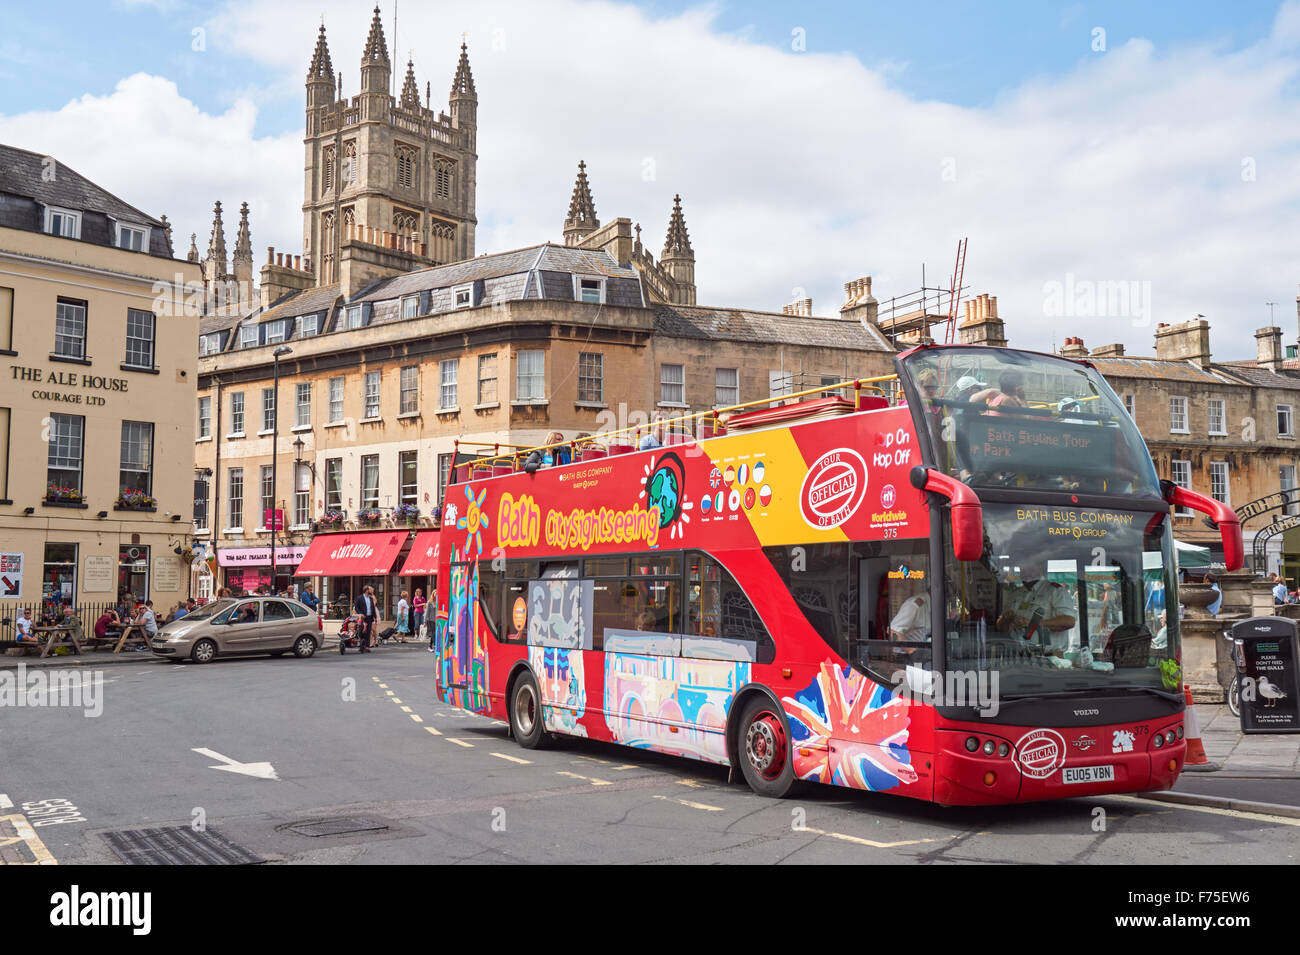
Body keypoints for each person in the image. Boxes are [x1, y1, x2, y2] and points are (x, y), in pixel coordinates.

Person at [998, 558, 1077, 655]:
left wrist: (1033, 624)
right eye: (1022, 569)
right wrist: (1006, 619)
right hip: (1016, 657)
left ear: (1040, 569)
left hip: (1048, 658)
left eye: (1029, 569)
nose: (1025, 573)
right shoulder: (1015, 594)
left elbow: (1068, 621)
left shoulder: (1055, 591)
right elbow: (1000, 627)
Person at [353, 586, 377, 651]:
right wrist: (360, 613)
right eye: (369, 590)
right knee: (361, 631)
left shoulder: (371, 599)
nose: (371, 591)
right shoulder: (359, 598)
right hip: (363, 617)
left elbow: (373, 609)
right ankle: (361, 645)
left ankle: (367, 646)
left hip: (369, 617)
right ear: (366, 590)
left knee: (368, 632)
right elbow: (356, 607)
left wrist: (375, 617)